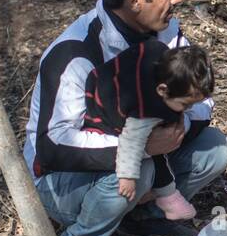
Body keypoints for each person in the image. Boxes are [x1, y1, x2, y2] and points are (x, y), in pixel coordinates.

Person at [24, 0, 227, 236]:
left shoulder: (165, 31)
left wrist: (173, 125)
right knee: (143, 167)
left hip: (133, 154)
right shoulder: (75, 53)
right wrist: (140, 146)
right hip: (61, 180)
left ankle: (143, 217)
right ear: (136, 1)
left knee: (216, 148)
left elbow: (198, 98)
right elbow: (53, 146)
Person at [85, 43, 216, 222]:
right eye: (185, 104)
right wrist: (127, 177)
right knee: (153, 158)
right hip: (106, 119)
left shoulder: (164, 67)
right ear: (162, 90)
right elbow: (130, 141)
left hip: (113, 94)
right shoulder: (146, 112)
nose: (188, 109)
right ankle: (167, 197)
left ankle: (163, 202)